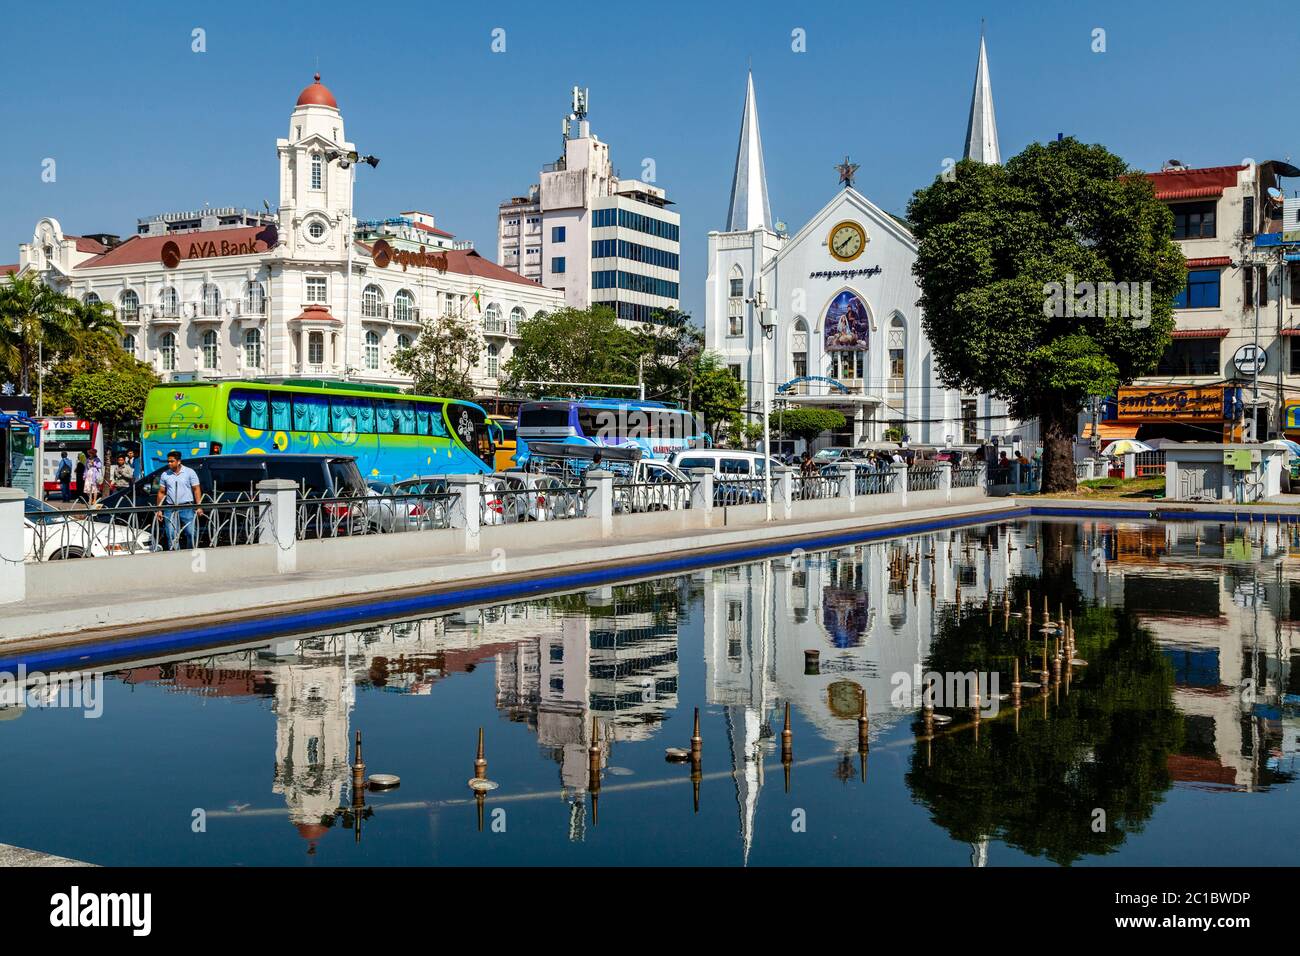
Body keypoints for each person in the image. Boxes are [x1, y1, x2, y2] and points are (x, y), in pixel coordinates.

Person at [156, 451, 203, 551]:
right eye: (168, 461)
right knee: (171, 534)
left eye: (172, 461)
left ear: (178, 461)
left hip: (187, 507)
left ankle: (190, 552)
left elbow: (196, 489)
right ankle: (175, 555)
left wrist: (199, 506)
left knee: (191, 533)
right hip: (170, 508)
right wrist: (159, 509)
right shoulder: (165, 474)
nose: (169, 463)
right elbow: (161, 492)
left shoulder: (189, 472)